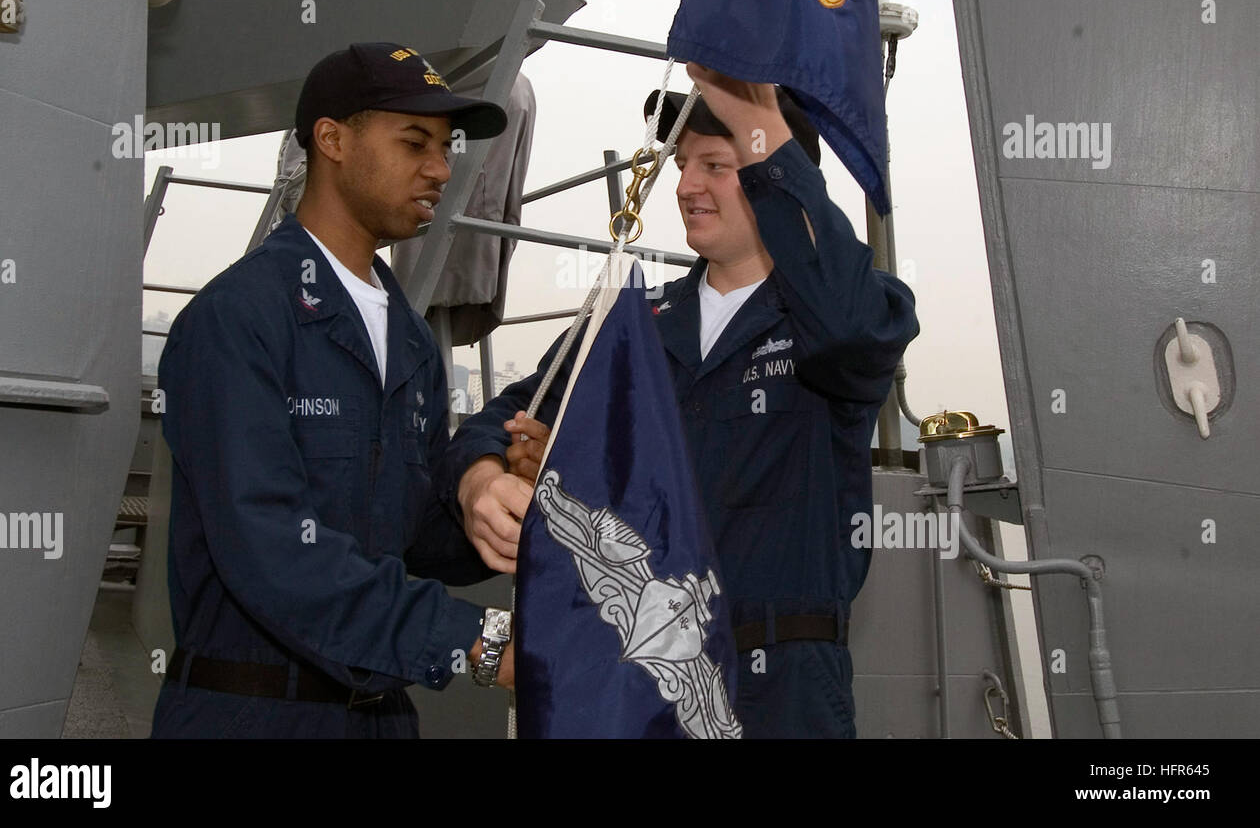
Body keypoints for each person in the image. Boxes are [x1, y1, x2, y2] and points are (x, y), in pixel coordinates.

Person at [446, 64, 919, 738]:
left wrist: (767, 133)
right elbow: (506, 415)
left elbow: (853, 327)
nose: (687, 185)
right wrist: (482, 478)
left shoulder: (833, 324)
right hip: (634, 686)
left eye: (716, 165)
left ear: (769, 177)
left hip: (779, 694)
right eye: (684, 164)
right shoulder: (632, 324)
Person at [152, 42, 516, 739]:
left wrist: (490, 509)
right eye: (415, 142)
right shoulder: (240, 319)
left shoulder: (410, 341)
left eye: (445, 147)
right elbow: (274, 551)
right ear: (332, 140)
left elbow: (407, 539)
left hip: (380, 719)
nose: (441, 169)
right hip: (250, 716)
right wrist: (485, 642)